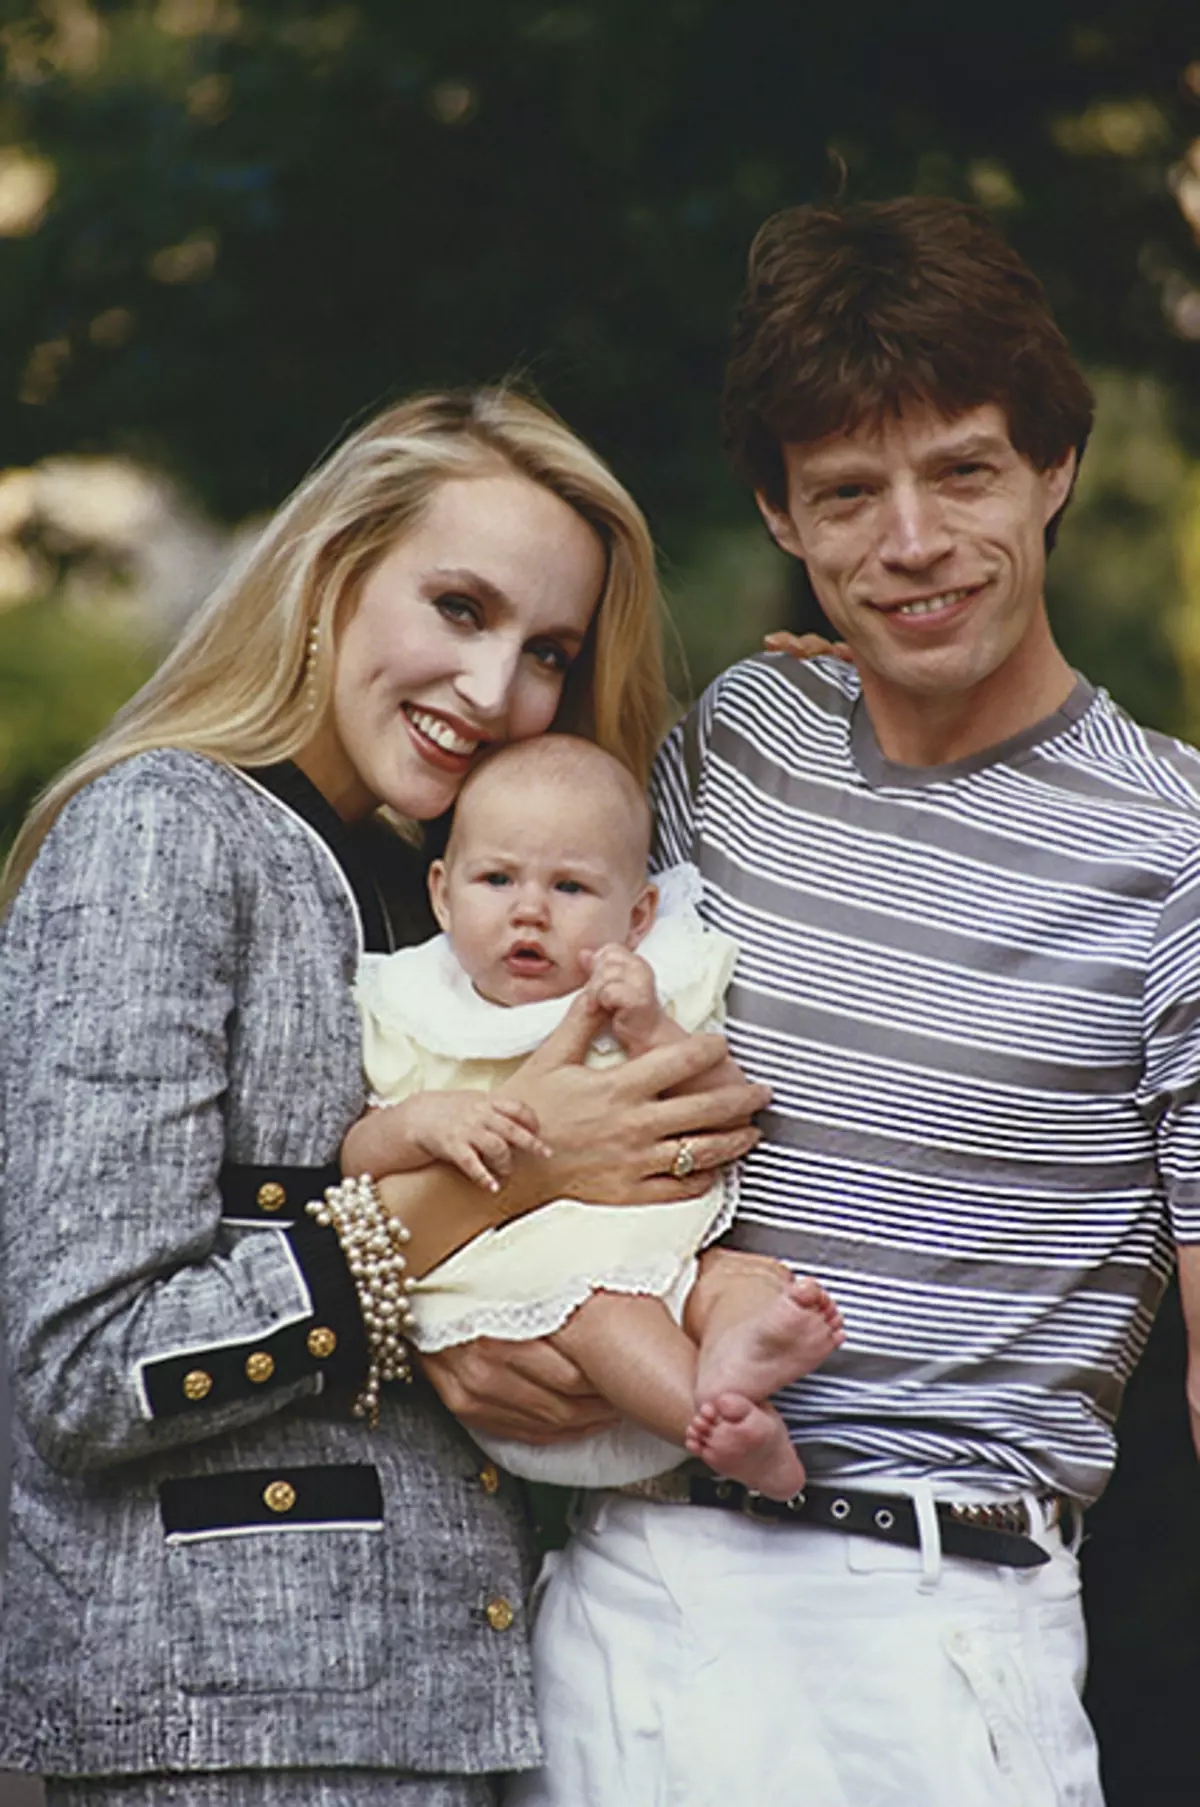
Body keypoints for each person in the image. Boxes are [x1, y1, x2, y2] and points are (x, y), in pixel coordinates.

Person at [505, 198, 1200, 1807]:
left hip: (924, 1630)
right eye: (848, 494)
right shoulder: (740, 733)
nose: (910, 543)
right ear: (782, 514)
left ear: (1054, 468)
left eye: (962, 469)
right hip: (615, 1600)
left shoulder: (1174, 848)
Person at [0, 387, 769, 1806]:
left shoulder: (440, 892)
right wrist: (522, 1171)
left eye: (547, 650)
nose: (496, 690)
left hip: (459, 1696)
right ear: (334, 570)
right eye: (459, 606)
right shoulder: (165, 830)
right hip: (231, 1726)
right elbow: (81, 1364)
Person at [347, 733, 843, 1501]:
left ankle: (740, 1348)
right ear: (442, 892)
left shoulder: (646, 984)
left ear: (638, 913)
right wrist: (423, 1123)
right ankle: (723, 1423)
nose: (530, 911)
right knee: (606, 1311)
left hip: (670, 1253)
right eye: (497, 878)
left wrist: (647, 1026)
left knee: (737, 1278)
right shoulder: (414, 1009)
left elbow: (724, 1099)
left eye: (572, 888)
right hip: (535, 1287)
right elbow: (357, 1158)